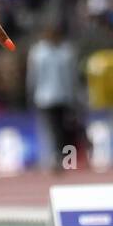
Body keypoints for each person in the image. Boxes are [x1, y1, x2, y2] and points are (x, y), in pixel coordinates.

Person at [26, 23, 81, 173]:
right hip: (49, 97)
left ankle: (67, 159)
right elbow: (33, 76)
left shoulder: (64, 52)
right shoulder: (41, 52)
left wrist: (75, 96)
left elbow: (72, 76)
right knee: (55, 129)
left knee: (63, 130)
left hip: (59, 97)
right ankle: (58, 159)